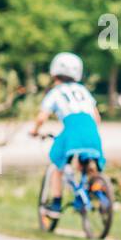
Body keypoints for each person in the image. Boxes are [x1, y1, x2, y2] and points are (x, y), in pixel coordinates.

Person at [29, 52, 105, 219]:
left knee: (58, 165)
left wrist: (34, 130)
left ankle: (56, 204)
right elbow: (97, 118)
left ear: (54, 72)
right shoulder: (83, 91)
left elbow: (42, 117)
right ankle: (96, 189)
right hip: (92, 131)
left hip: (72, 131)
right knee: (86, 163)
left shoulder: (56, 92)